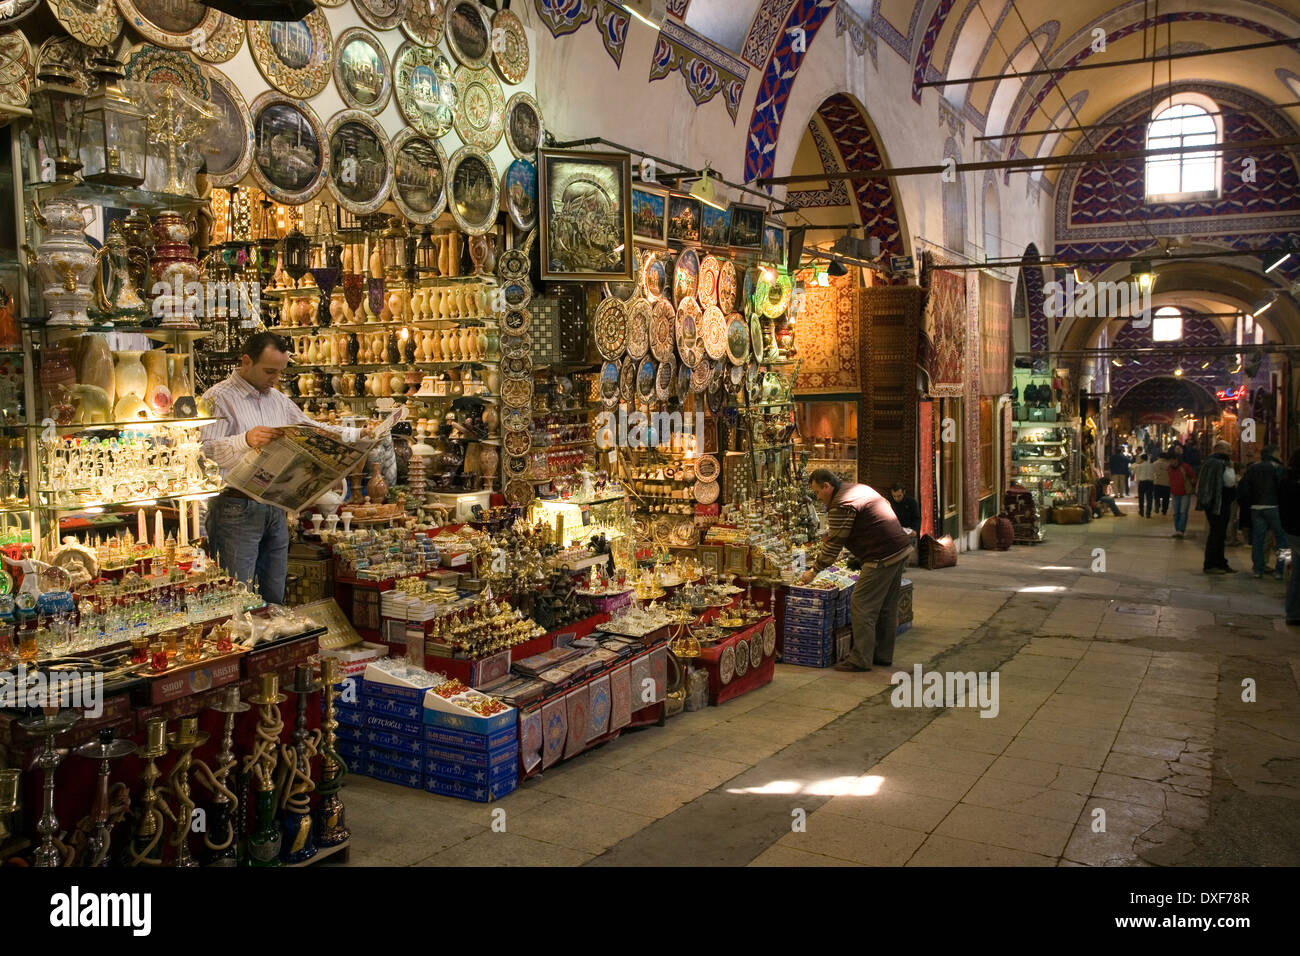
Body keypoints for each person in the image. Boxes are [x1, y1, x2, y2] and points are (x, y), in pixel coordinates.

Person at [200, 332, 372, 604]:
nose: (275, 379)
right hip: (235, 507)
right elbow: (203, 452)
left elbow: (316, 430)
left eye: (280, 372)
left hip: (276, 505)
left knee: (274, 594)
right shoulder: (218, 398)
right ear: (246, 361)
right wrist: (244, 440)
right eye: (269, 371)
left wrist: (359, 435)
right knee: (237, 595)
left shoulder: (277, 399)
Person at [799, 469, 912, 672]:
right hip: (898, 548)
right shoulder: (855, 489)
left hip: (881, 556)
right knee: (886, 606)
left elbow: (834, 542)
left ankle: (861, 658)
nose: (818, 497)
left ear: (827, 486)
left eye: (817, 492)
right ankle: (882, 655)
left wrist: (814, 570)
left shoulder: (841, 503)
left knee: (861, 604)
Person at [1238, 444, 1289, 579]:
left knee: (1258, 539)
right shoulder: (1278, 468)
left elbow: (1245, 488)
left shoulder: (1253, 467)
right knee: (1282, 540)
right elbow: (1283, 489)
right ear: (1275, 453)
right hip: (1274, 507)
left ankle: (1257, 569)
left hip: (1256, 507)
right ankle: (1280, 569)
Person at [1197, 440, 1237, 574]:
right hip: (1218, 503)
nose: (1230, 452)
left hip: (1212, 502)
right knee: (1217, 534)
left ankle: (1220, 562)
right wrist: (1231, 468)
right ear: (1220, 450)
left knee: (1217, 533)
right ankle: (1211, 564)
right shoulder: (1220, 463)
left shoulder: (1209, 462)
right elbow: (1230, 482)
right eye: (1228, 450)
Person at [1279, 451, 1300, 624]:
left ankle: (1292, 612)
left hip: (1290, 531)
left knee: (1295, 571)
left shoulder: (1285, 481)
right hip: (1296, 531)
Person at [1167, 448, 1197, 538]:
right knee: (1176, 512)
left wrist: (1193, 487)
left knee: (1183, 512)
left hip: (1185, 492)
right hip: (1174, 492)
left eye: (1172, 460)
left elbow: (1193, 477)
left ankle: (1180, 531)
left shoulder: (1185, 467)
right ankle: (1177, 530)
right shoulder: (1169, 468)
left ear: (1177, 459)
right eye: (1170, 460)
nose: (1171, 462)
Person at [1153, 450, 1172, 516]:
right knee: (1166, 498)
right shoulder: (1169, 464)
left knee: (1157, 496)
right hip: (1167, 483)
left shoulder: (1155, 463)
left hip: (1157, 482)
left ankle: (1157, 505)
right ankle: (1164, 510)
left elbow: (1153, 472)